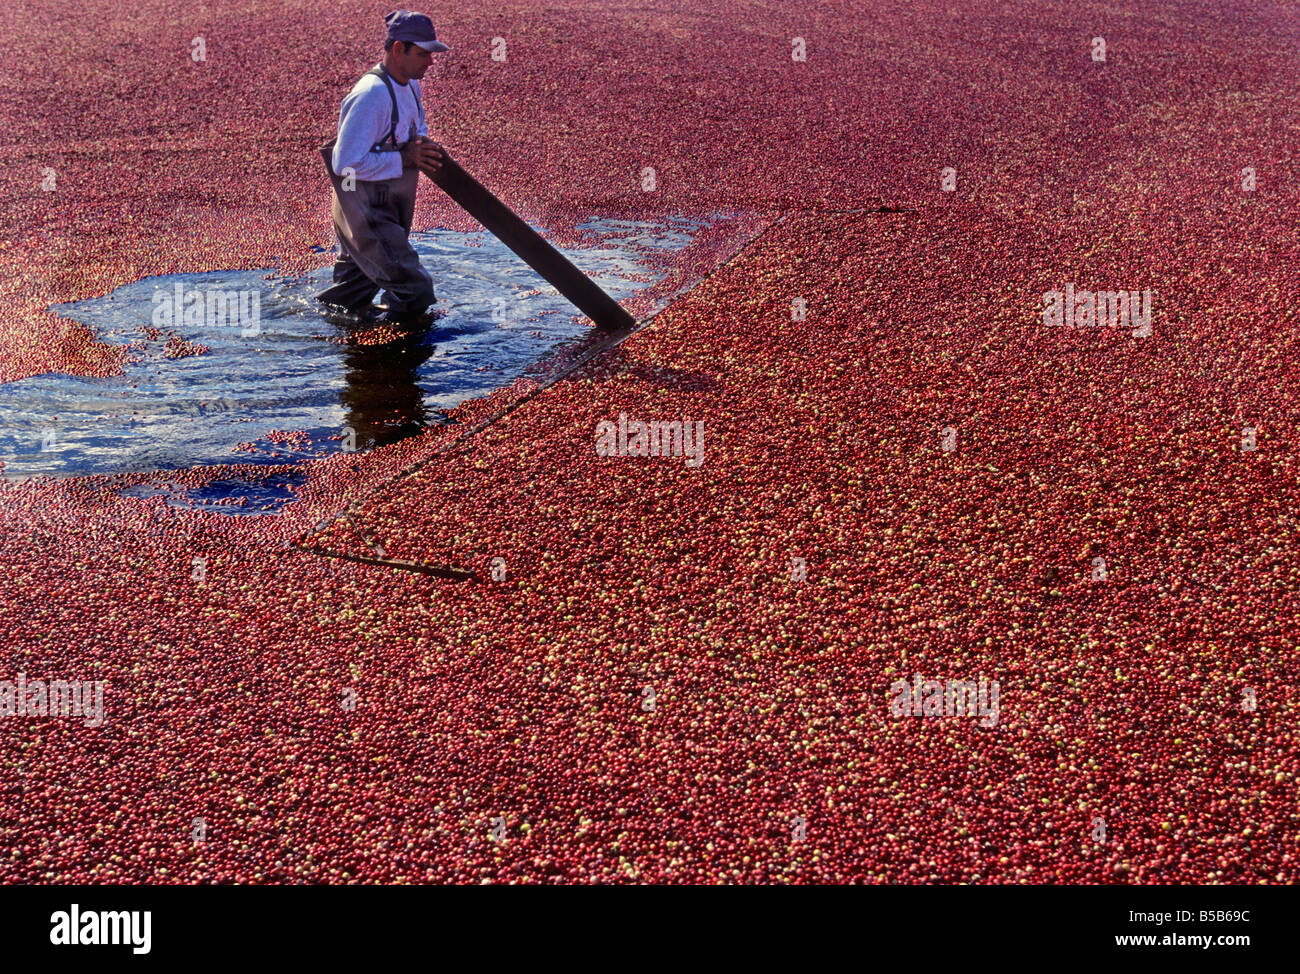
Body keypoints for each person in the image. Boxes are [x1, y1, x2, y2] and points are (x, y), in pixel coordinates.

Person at [318, 11, 450, 324]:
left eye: (431, 54)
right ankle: (391, 361)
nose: (430, 62)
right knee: (414, 289)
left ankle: (332, 336)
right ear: (397, 49)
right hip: (363, 208)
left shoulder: (410, 86)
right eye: (422, 54)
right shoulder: (371, 94)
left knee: (351, 292)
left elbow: (417, 127)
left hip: (386, 204)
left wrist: (422, 145)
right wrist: (405, 159)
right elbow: (345, 164)